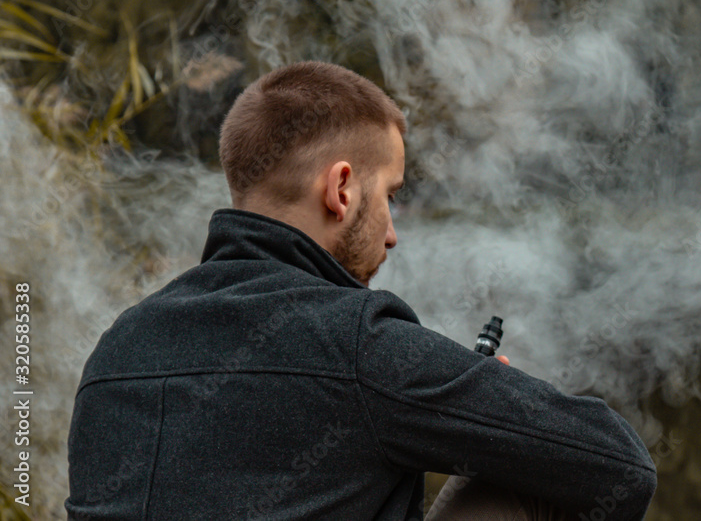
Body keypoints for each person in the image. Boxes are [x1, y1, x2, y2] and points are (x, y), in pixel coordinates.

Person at [65, 61, 657, 520]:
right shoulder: (360, 344)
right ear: (342, 188)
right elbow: (620, 465)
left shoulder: (115, 350)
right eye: (391, 196)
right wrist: (492, 412)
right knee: (536, 473)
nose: (393, 234)